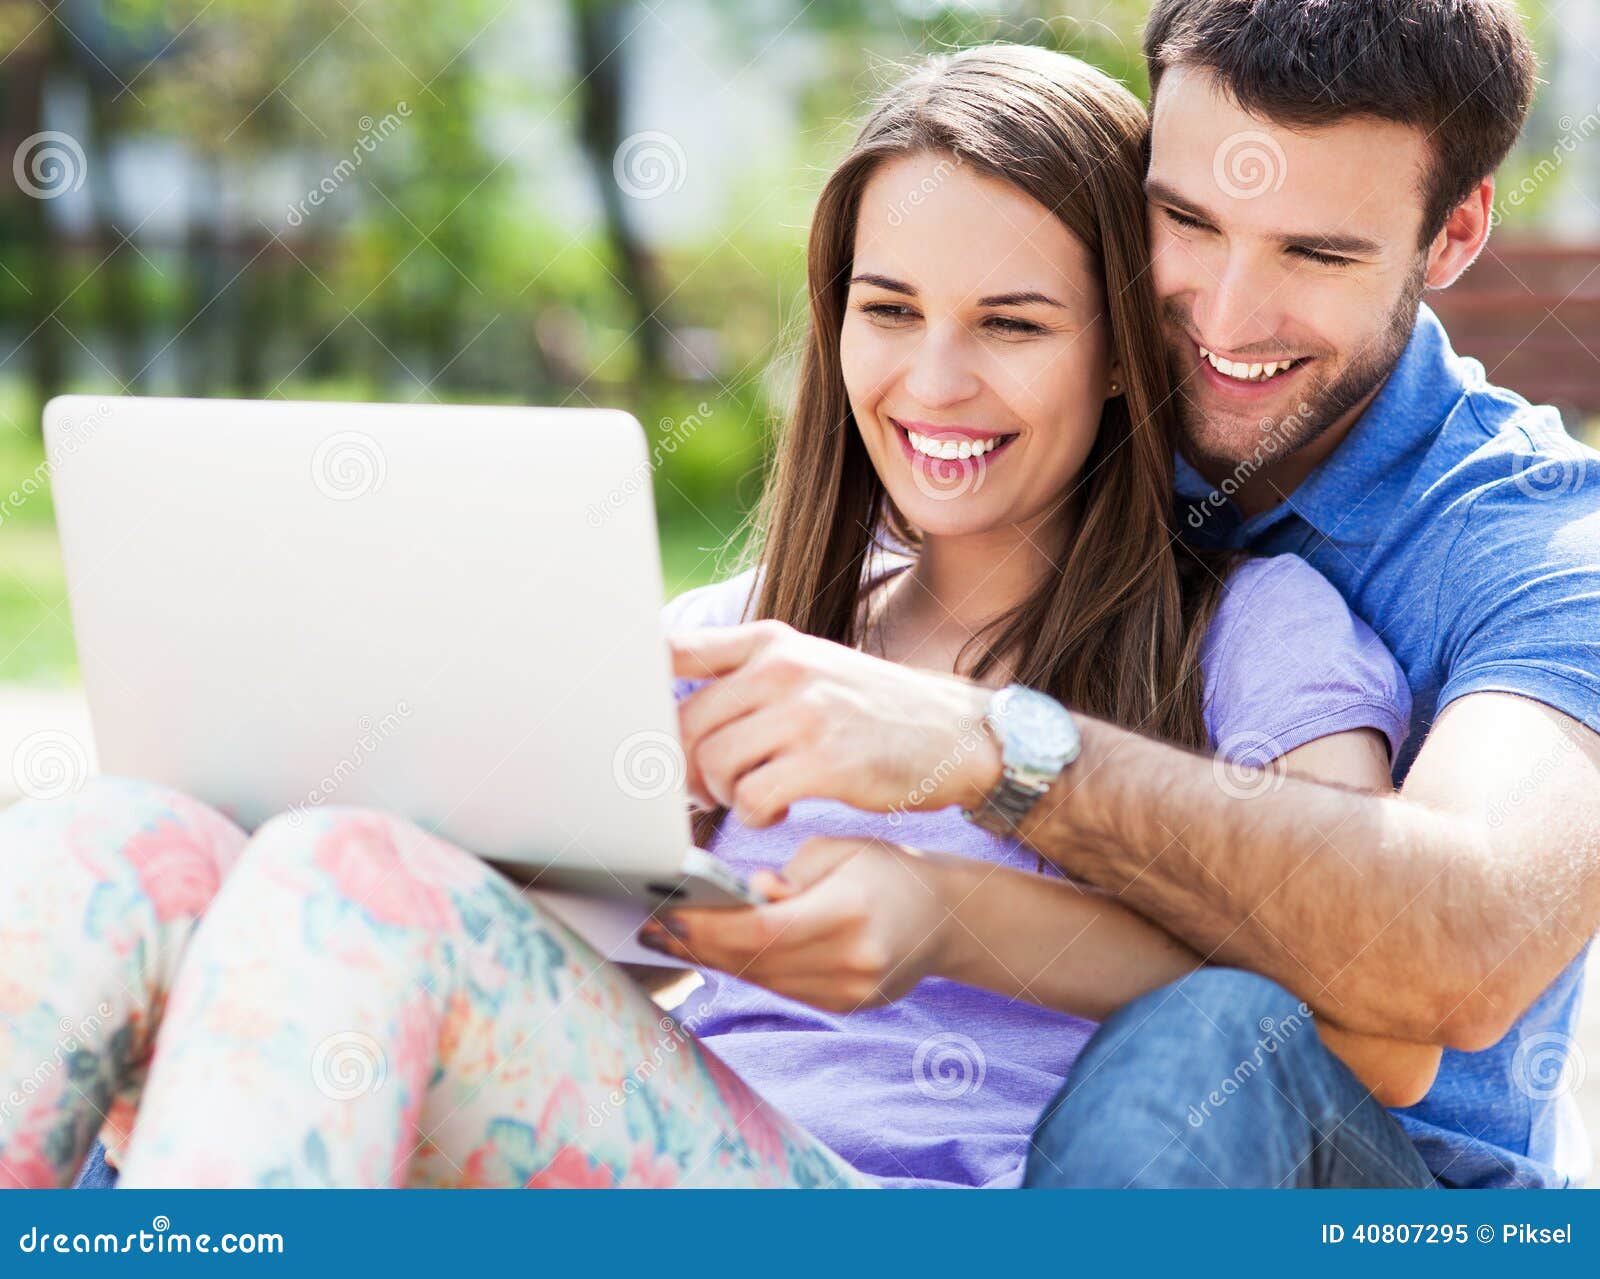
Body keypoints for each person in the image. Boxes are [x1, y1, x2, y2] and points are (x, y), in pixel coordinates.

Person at [3, 45, 1426, 1190]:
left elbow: (1357, 997)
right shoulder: (738, 630)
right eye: (888, 309)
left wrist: (952, 922)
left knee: (354, 875)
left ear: (1123, 351)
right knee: (132, 841)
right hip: (681, 1151)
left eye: (1012, 323)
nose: (934, 380)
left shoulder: (1255, 628)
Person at [665, 2, 1600, 1188]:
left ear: (1455, 230)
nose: (1220, 318)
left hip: (1382, 1197)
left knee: (1211, 1030)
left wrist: (987, 752)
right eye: (1185, 221)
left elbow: (1462, 951)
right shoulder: (1043, 432)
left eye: (1314, 252)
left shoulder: (1545, 549)